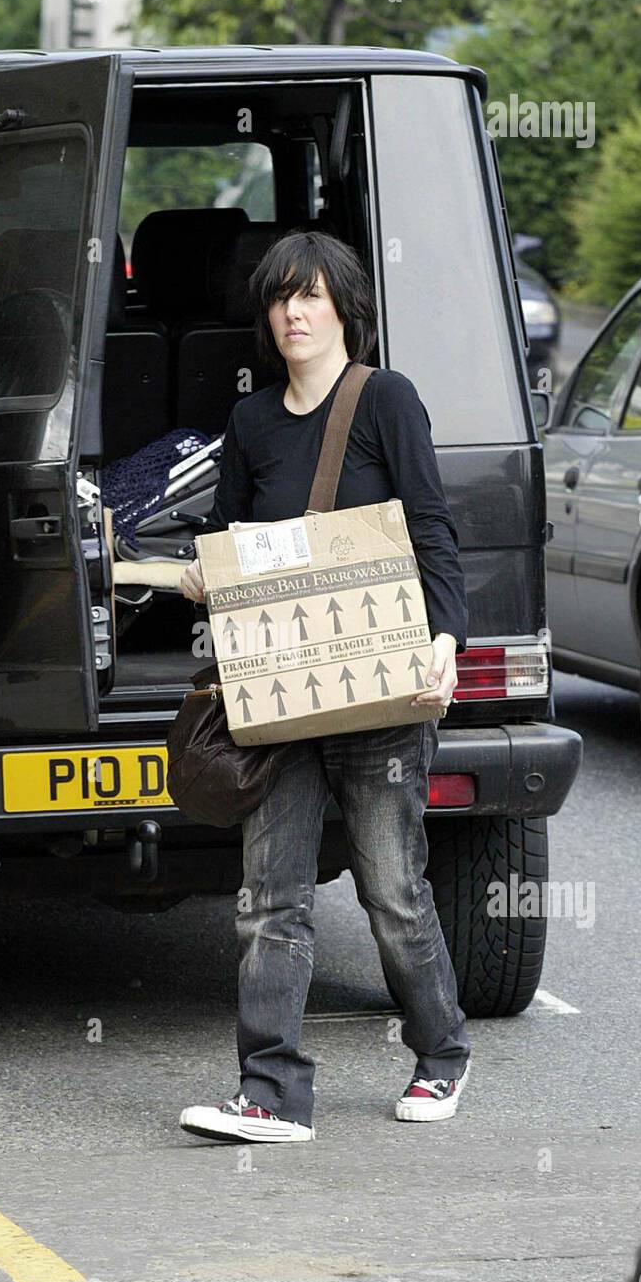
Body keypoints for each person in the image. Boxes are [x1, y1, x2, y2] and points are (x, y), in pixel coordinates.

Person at [177, 228, 471, 1144]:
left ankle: (439, 1054)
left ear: (344, 308)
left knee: (391, 891)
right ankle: (269, 1093)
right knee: (270, 898)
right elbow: (226, 541)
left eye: (310, 297)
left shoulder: (386, 400)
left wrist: (445, 640)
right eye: (280, 299)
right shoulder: (253, 422)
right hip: (281, 700)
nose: (294, 313)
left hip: (379, 697)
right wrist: (202, 575)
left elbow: (430, 530)